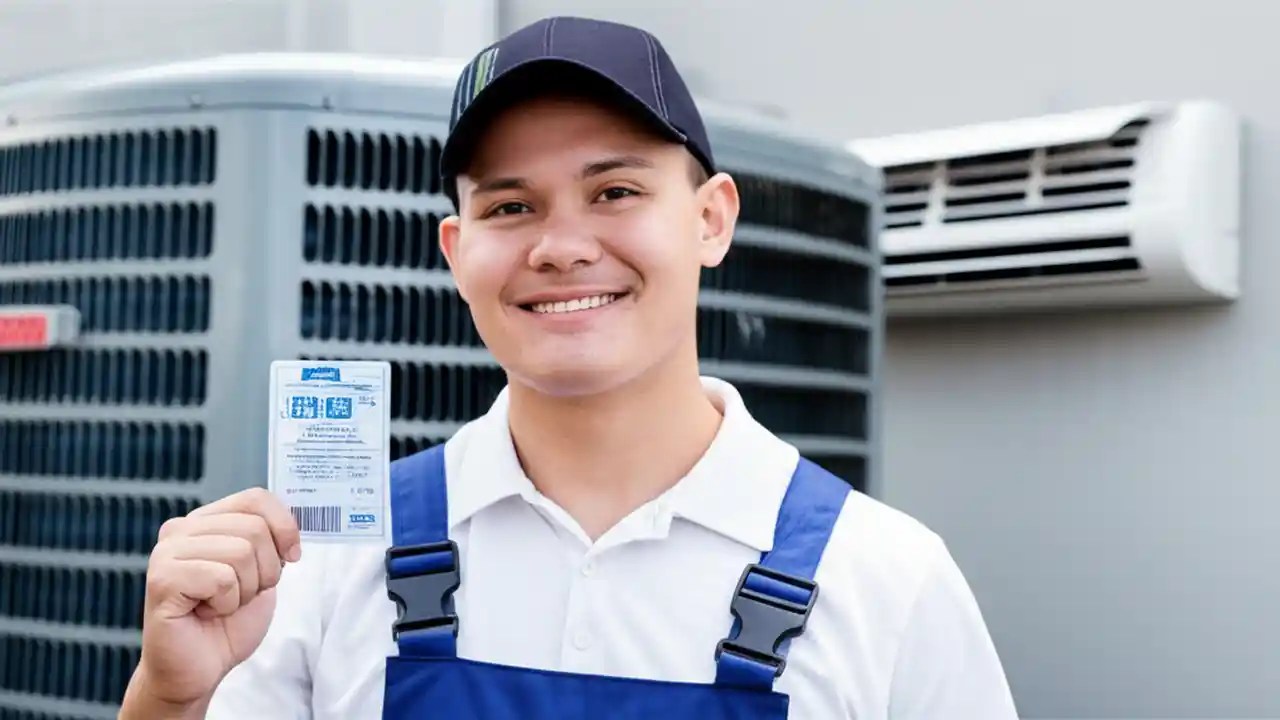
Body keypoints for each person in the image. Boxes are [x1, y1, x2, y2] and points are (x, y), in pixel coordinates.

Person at [119, 15, 1019, 719]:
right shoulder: (326, 565)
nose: (560, 246)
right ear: (454, 248)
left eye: (615, 192)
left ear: (711, 219)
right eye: (511, 206)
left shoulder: (886, 581)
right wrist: (171, 698)